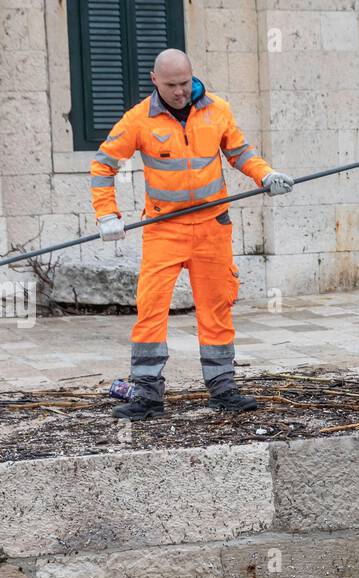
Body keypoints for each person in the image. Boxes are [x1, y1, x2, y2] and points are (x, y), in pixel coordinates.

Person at [90, 49, 294, 419]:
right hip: (163, 228)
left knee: (217, 308)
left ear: (192, 76)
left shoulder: (217, 109)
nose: (181, 92)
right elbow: (103, 164)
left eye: (185, 83)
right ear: (155, 81)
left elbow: (240, 153)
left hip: (212, 226)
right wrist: (107, 215)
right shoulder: (139, 120)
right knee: (151, 309)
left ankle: (223, 390)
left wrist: (265, 175)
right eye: (171, 86)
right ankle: (147, 395)